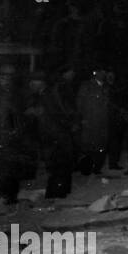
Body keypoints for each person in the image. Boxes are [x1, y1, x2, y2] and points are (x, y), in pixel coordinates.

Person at [42, 68, 78, 198]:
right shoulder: (60, 88)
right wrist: (70, 122)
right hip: (58, 130)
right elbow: (64, 109)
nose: (73, 75)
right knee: (60, 162)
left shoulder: (58, 88)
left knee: (61, 162)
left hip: (58, 129)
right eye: (71, 72)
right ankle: (58, 191)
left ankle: (60, 190)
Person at [76, 68, 110, 176]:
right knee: (88, 146)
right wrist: (82, 118)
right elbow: (80, 103)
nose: (102, 74)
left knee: (101, 145)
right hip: (90, 120)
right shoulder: (86, 86)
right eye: (100, 72)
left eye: (104, 72)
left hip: (102, 121)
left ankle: (97, 167)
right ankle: (86, 168)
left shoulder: (106, 86)